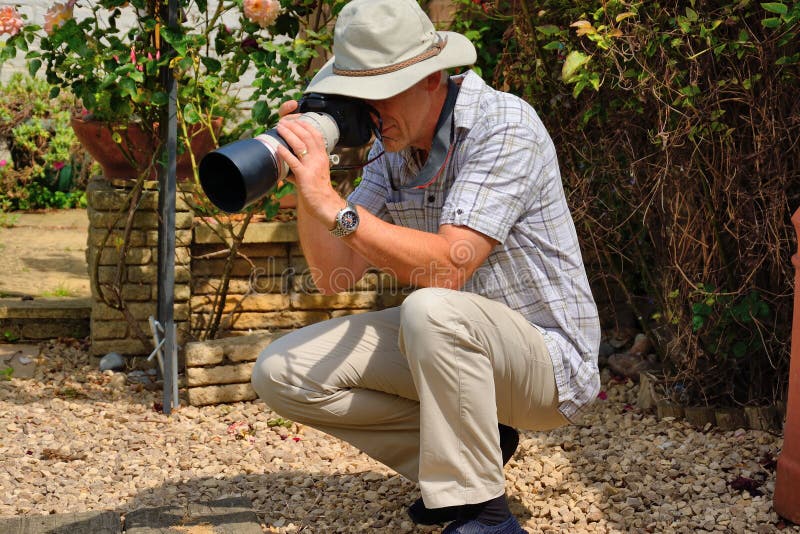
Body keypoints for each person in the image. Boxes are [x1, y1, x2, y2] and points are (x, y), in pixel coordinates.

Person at [250, 0, 601, 532]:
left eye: (379, 91)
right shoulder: (392, 149)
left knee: (431, 307)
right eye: (356, 95)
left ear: (432, 78)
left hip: (549, 363)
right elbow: (333, 274)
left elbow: (448, 267)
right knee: (281, 372)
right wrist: (307, 182)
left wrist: (334, 206)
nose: (368, 111)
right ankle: (472, 453)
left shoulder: (504, 125)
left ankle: (485, 517)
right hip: (459, 349)